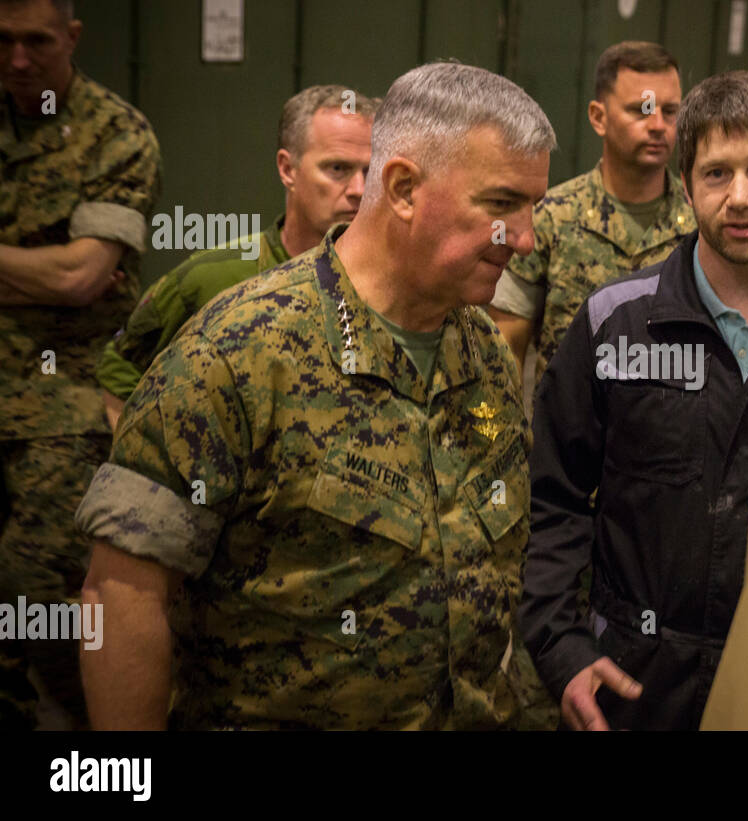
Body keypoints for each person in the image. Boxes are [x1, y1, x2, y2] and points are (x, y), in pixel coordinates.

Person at [74, 62, 558, 730]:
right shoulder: (239, 351)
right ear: (404, 186)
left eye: (534, 207)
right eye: (503, 205)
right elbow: (121, 591)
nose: (527, 238)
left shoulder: (483, 356)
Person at [519, 70, 748, 731]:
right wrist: (562, 645)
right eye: (716, 174)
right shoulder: (616, 323)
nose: (740, 198)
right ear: (686, 187)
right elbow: (552, 498)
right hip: (633, 688)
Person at [0, 0, 161, 729]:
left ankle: (99, 746)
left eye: (37, 41)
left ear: (72, 37)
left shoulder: (115, 132)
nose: (19, 59)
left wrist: (58, 272)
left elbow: (80, 277)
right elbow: (59, 270)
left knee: (40, 596)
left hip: (59, 402)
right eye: (3, 42)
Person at [97, 84, 379, 430]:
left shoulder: (391, 287)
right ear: (288, 169)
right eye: (337, 169)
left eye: (370, 172)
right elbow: (121, 368)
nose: (359, 190)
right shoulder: (216, 278)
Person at [489, 40, 695, 389]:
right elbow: (506, 349)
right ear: (599, 117)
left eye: (670, 111)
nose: (658, 124)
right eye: (641, 110)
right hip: (568, 436)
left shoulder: (700, 225)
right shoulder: (549, 218)